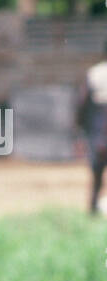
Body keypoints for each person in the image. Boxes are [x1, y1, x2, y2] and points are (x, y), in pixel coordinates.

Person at [76, 40, 107, 214]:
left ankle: (93, 208)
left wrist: (80, 127)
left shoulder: (95, 73)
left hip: (100, 133)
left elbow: (82, 102)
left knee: (96, 175)